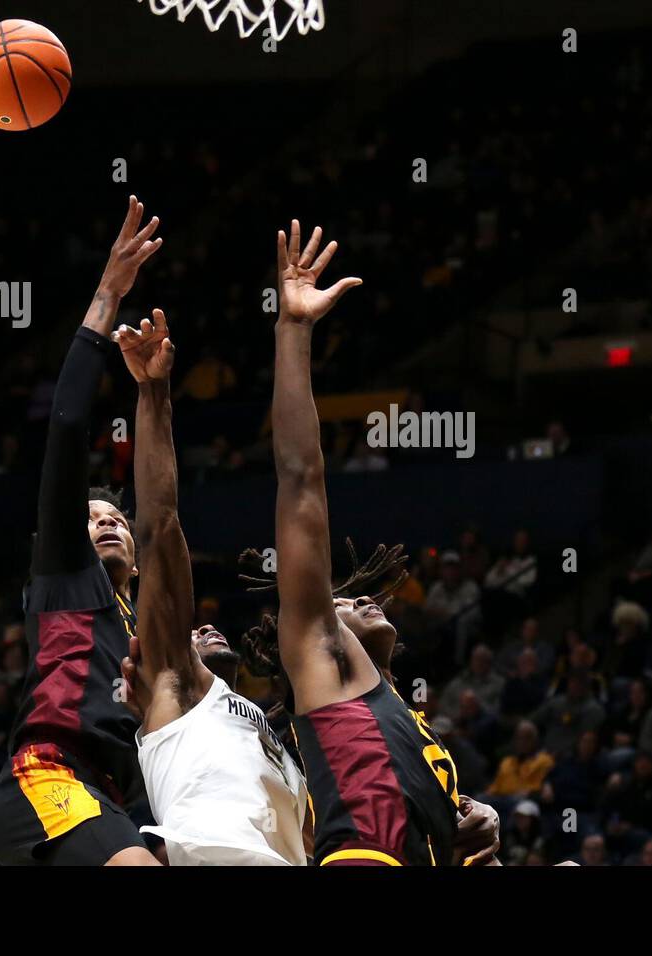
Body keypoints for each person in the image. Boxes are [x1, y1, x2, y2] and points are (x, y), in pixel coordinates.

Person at [242, 221, 486, 866]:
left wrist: (469, 821)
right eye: (343, 601)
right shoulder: (323, 662)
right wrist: (293, 332)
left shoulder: (409, 723)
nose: (367, 601)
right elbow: (300, 481)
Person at [0, 197, 163, 867]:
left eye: (117, 518)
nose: (109, 522)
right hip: (47, 776)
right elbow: (64, 427)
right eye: (92, 519)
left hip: (110, 800)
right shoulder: (64, 572)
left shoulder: (143, 625)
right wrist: (108, 296)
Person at [111, 308, 308, 865]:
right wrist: (154, 396)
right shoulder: (174, 685)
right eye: (190, 632)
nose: (203, 627)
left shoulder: (271, 739)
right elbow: (159, 525)